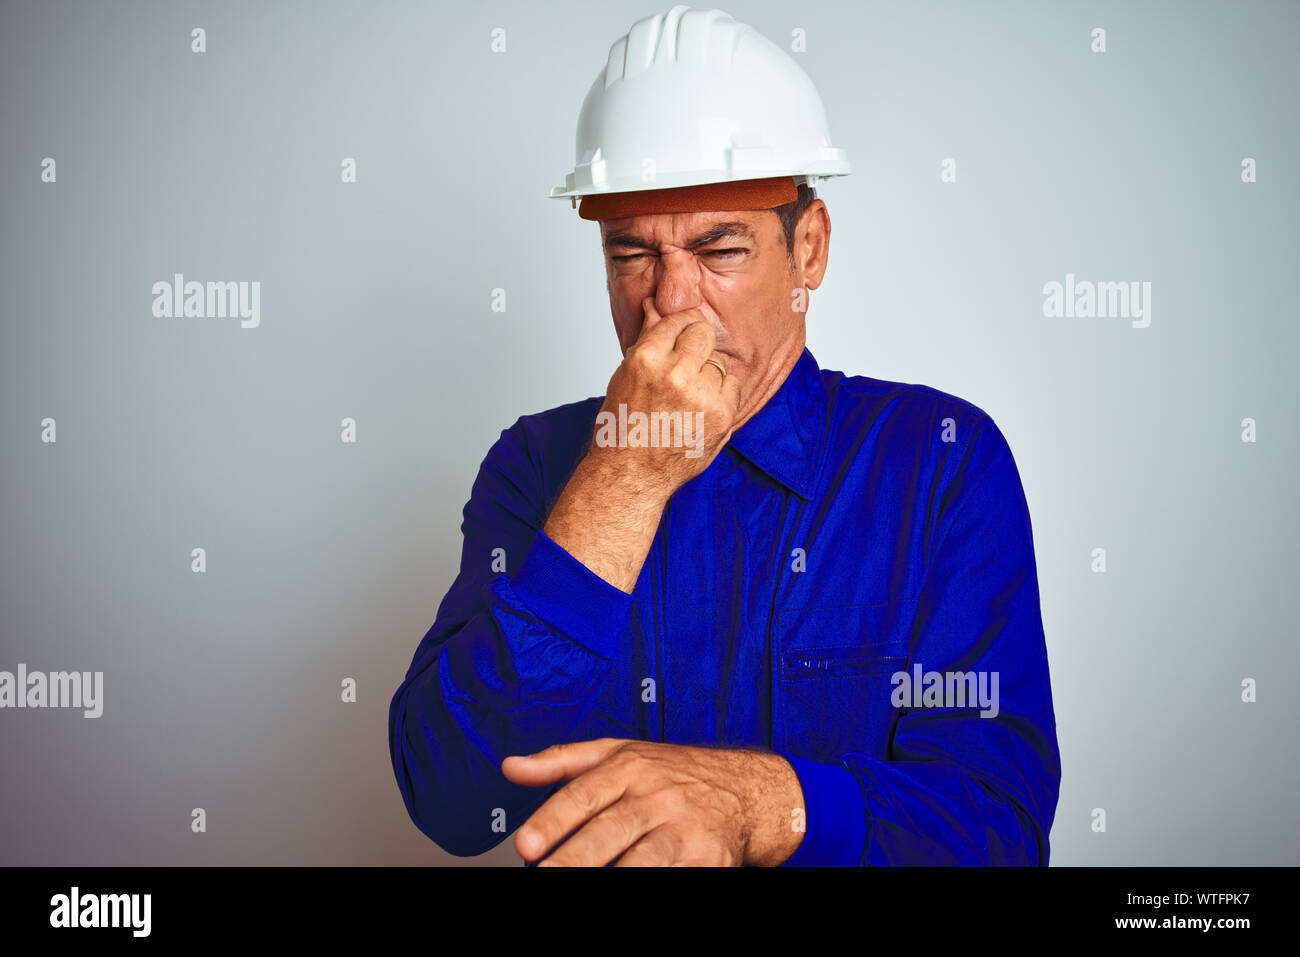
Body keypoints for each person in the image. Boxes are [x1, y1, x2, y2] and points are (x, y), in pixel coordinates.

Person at [388, 4, 1060, 866]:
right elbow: (451, 797)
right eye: (631, 251)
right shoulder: (534, 467)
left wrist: (759, 805)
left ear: (808, 251)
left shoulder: (940, 463)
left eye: (719, 249)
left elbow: (999, 829)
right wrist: (622, 476)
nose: (668, 302)